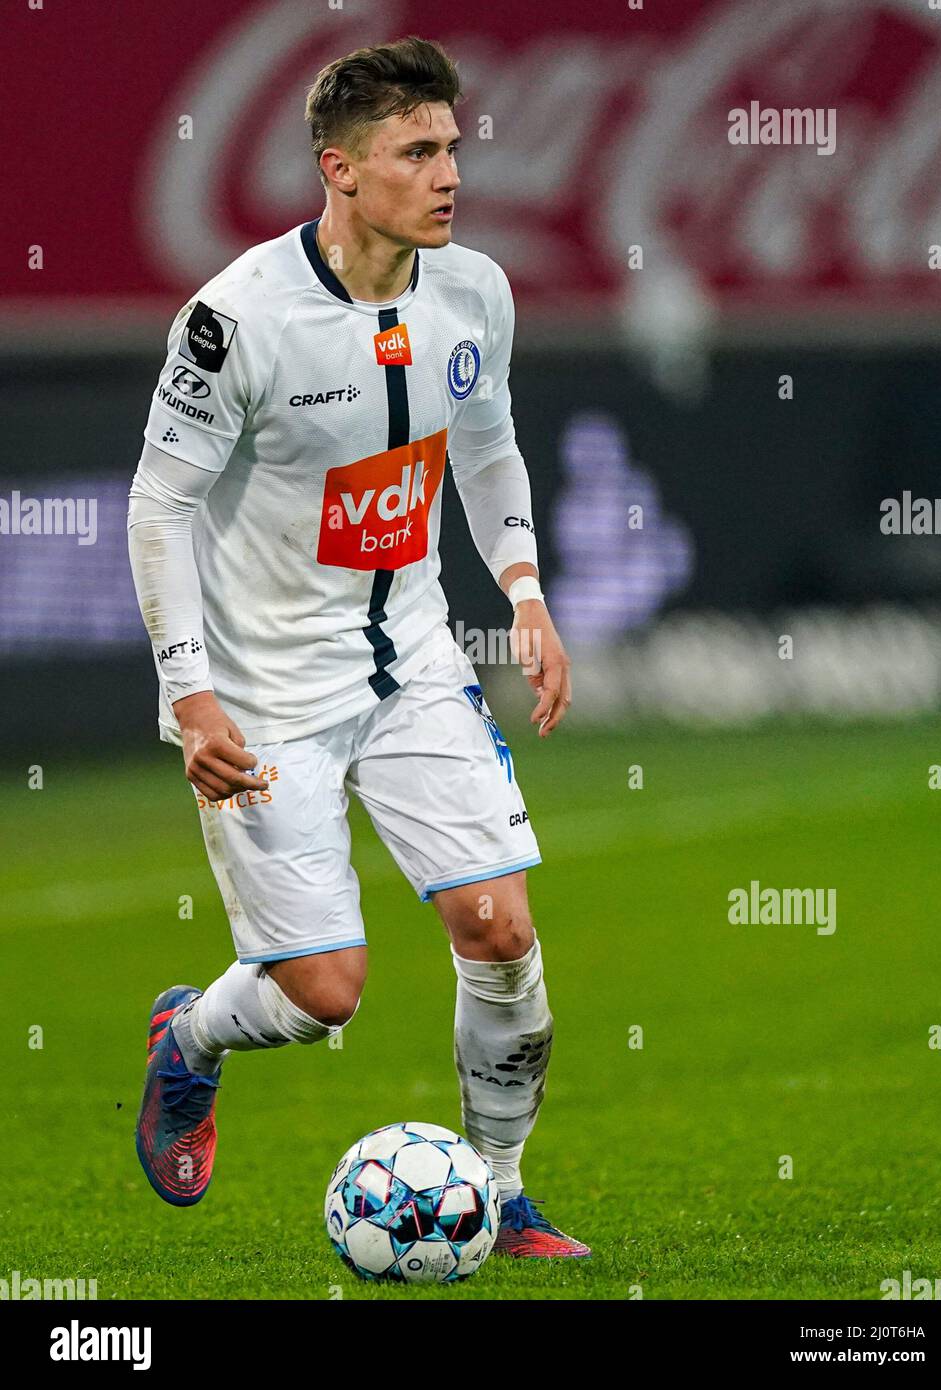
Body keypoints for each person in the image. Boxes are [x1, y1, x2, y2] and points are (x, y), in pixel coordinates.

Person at [127, 36, 586, 1258]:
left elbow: (484, 446)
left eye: (452, 148)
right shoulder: (235, 321)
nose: (449, 175)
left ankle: (496, 1188)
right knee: (321, 992)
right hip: (269, 693)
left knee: (500, 927)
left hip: (415, 666)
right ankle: (192, 1037)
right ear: (339, 169)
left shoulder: (474, 288)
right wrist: (191, 695)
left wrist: (526, 588)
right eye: (417, 152)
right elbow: (158, 507)